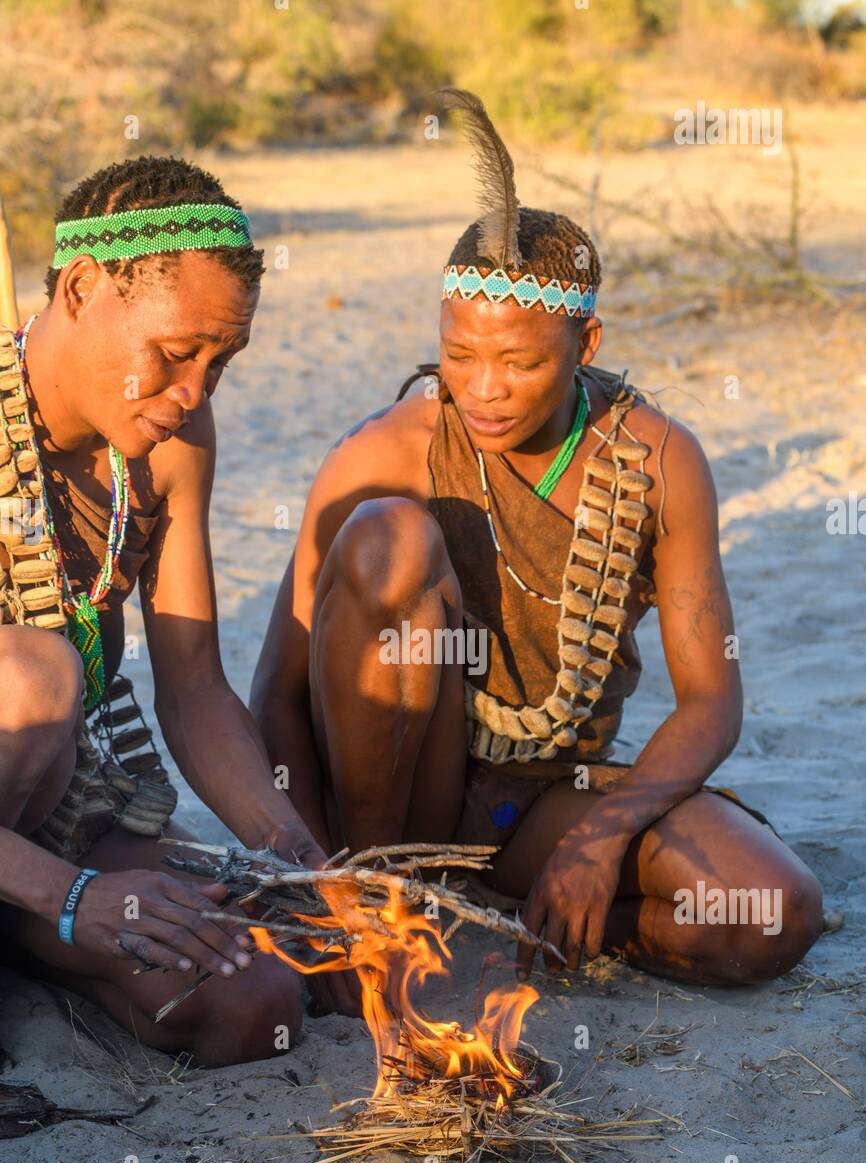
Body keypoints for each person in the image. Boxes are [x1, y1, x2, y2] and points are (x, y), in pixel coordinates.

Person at [252, 89, 823, 990]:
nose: (483, 388)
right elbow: (277, 698)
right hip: (400, 793)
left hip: (548, 802)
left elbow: (711, 702)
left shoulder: (657, 460)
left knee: (770, 912)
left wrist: (598, 841)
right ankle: (383, 896)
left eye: (520, 362)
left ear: (584, 339)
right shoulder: (387, 448)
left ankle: (518, 914)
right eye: (459, 354)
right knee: (384, 540)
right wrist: (318, 872)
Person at [0, 155, 339, 1066]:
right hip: (37, 836)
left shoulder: (171, 443)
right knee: (33, 680)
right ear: (81, 287)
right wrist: (73, 897)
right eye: (175, 351)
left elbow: (192, 692)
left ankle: (28, 933)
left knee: (258, 996)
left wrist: (292, 852)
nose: (194, 391)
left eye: (221, 361)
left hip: (56, 815)